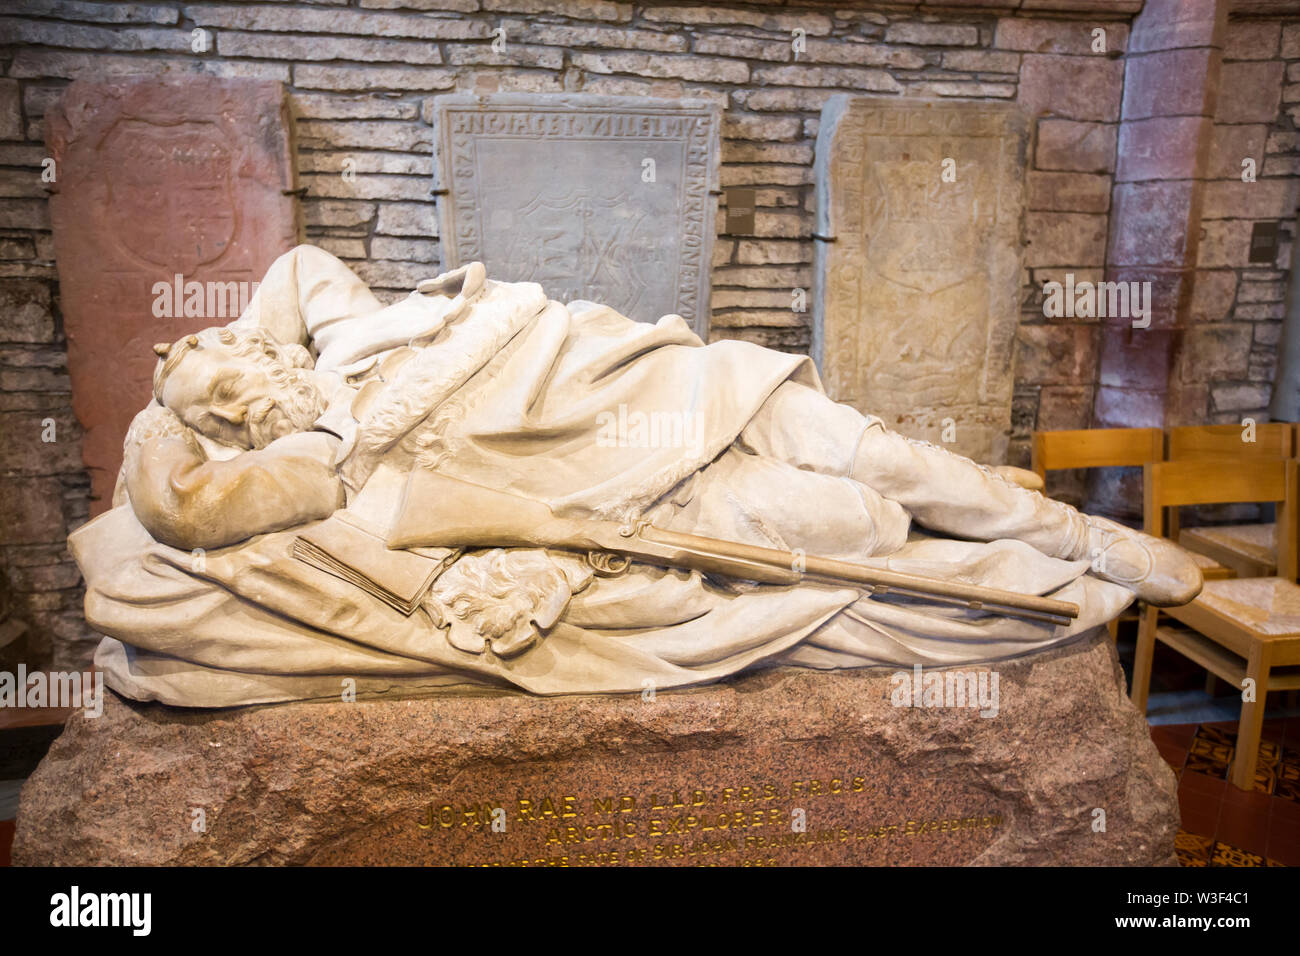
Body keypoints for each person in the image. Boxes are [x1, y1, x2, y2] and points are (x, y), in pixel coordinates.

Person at [72, 245, 1200, 707]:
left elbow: (292, 270)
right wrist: (154, 426)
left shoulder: (349, 329)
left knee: (871, 447)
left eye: (225, 360)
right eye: (213, 407)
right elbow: (180, 506)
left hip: (655, 384)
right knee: (852, 521)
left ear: (255, 340)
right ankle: (1023, 568)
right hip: (635, 489)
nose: (231, 390)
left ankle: (1073, 534)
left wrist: (190, 359)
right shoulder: (314, 462)